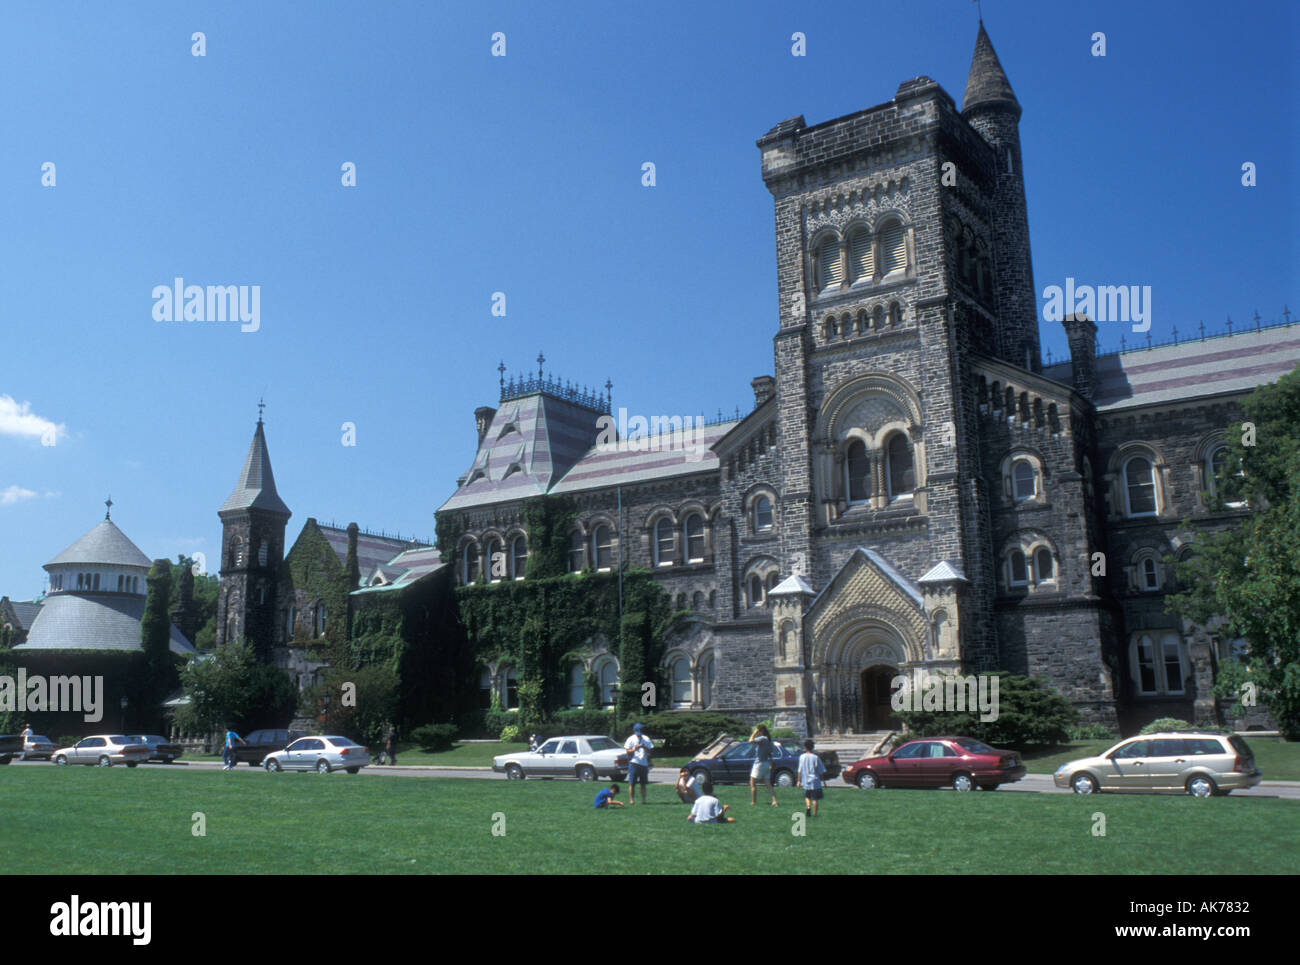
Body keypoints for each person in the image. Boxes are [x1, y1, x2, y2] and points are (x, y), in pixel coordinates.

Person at [623, 723, 653, 806]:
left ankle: (644, 800)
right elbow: (627, 751)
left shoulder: (646, 739)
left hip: (644, 764)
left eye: (640, 733)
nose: (639, 735)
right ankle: (631, 800)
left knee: (643, 784)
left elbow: (650, 751)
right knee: (632, 783)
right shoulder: (630, 739)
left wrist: (645, 748)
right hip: (634, 762)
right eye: (637, 733)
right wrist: (634, 749)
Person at [749, 724, 778, 806]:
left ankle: (753, 802)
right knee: (768, 784)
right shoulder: (769, 740)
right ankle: (774, 801)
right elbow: (770, 754)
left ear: (760, 731)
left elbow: (750, 741)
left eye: (758, 731)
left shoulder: (762, 738)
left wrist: (754, 733)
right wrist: (771, 763)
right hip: (766, 763)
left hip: (759, 764)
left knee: (752, 783)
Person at [797, 738, 826, 818]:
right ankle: (815, 814)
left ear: (805, 747)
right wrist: (823, 781)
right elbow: (821, 770)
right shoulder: (815, 757)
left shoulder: (802, 757)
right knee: (815, 798)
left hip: (805, 781)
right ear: (813, 747)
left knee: (807, 796)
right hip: (815, 781)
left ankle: (808, 806)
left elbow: (799, 770)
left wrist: (798, 781)